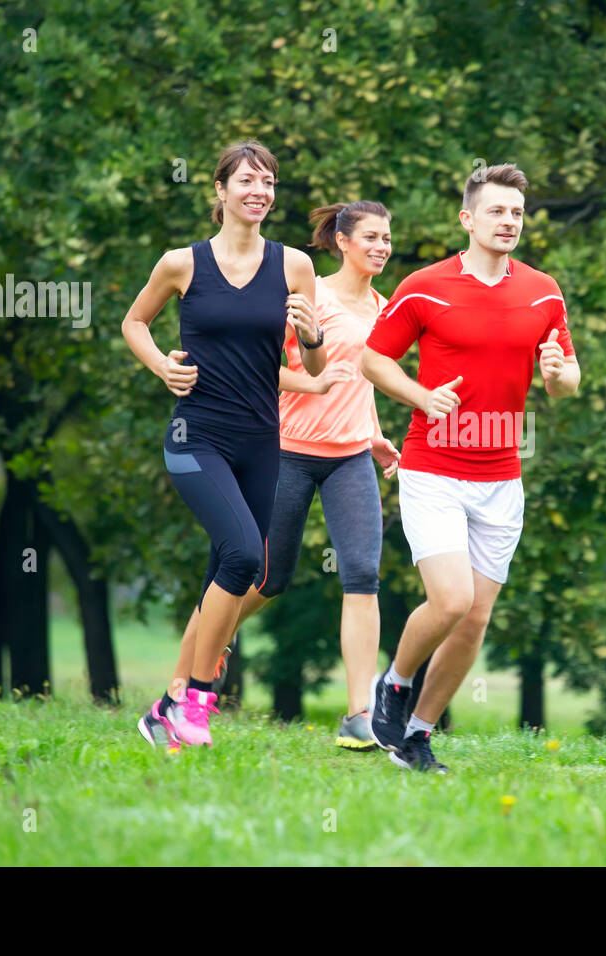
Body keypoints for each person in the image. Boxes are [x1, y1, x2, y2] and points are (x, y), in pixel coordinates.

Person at [360, 163, 581, 772]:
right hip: (432, 466)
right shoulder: (425, 286)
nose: (509, 222)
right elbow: (374, 360)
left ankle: (418, 736)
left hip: (501, 476)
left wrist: (562, 376)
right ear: (468, 219)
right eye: (496, 212)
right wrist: (421, 397)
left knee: (476, 616)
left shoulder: (543, 290)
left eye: (516, 213)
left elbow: (565, 377)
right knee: (452, 599)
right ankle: (396, 682)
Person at [174, 201, 401, 751]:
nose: (381, 247)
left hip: (349, 455)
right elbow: (258, 370)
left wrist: (370, 434)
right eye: (370, 237)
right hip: (287, 450)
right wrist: (313, 387)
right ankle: (185, 684)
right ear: (342, 241)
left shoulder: (384, 307)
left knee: (363, 575)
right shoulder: (305, 293)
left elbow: (361, 381)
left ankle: (359, 714)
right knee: (263, 577)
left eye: (387, 238)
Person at [122, 140, 323, 749]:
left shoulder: (294, 266)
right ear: (221, 191)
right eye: (247, 181)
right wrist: (162, 366)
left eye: (269, 182)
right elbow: (134, 323)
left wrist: (313, 338)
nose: (259, 191)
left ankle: (164, 711)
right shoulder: (181, 264)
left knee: (230, 568)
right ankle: (199, 701)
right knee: (243, 556)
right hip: (196, 436)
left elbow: (312, 367)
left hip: (262, 440)